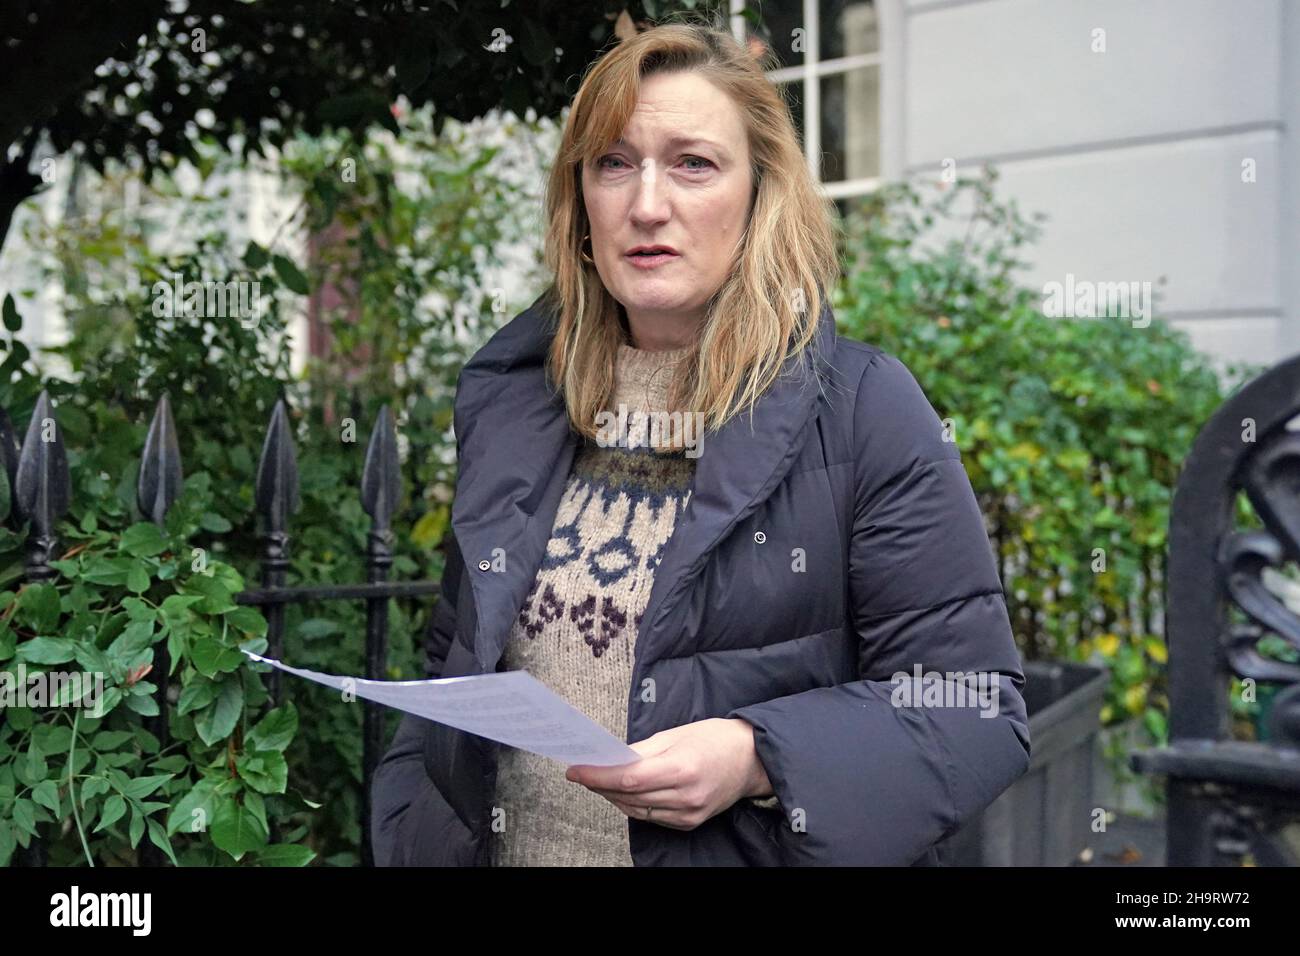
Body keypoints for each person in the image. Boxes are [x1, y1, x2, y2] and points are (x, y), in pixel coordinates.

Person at [371, 19, 1030, 867]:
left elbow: (976, 709)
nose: (648, 204)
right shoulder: (515, 401)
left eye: (694, 163)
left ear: (761, 195)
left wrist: (760, 757)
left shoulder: (863, 409)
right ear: (582, 203)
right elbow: (450, 672)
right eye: (614, 162)